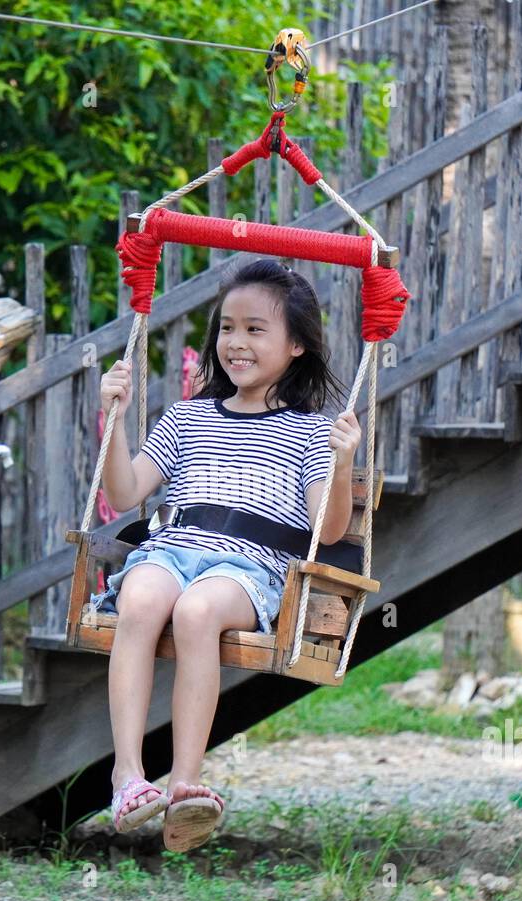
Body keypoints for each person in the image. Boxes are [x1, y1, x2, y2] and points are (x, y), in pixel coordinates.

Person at [93, 258, 361, 852]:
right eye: (227, 328)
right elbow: (122, 494)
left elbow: (330, 527)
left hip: (249, 568)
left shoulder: (313, 432)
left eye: (256, 329)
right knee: (139, 597)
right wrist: (114, 422)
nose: (236, 343)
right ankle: (128, 777)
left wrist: (343, 464)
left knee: (196, 611)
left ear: (296, 345)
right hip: (174, 548)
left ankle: (186, 784)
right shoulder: (187, 417)